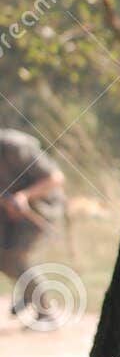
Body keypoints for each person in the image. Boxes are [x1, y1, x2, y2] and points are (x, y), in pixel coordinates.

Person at [0, 128, 68, 327]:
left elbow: (56, 178)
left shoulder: (16, 146)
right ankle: (29, 295)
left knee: (14, 258)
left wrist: (24, 196)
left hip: (41, 208)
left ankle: (45, 310)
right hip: (7, 211)